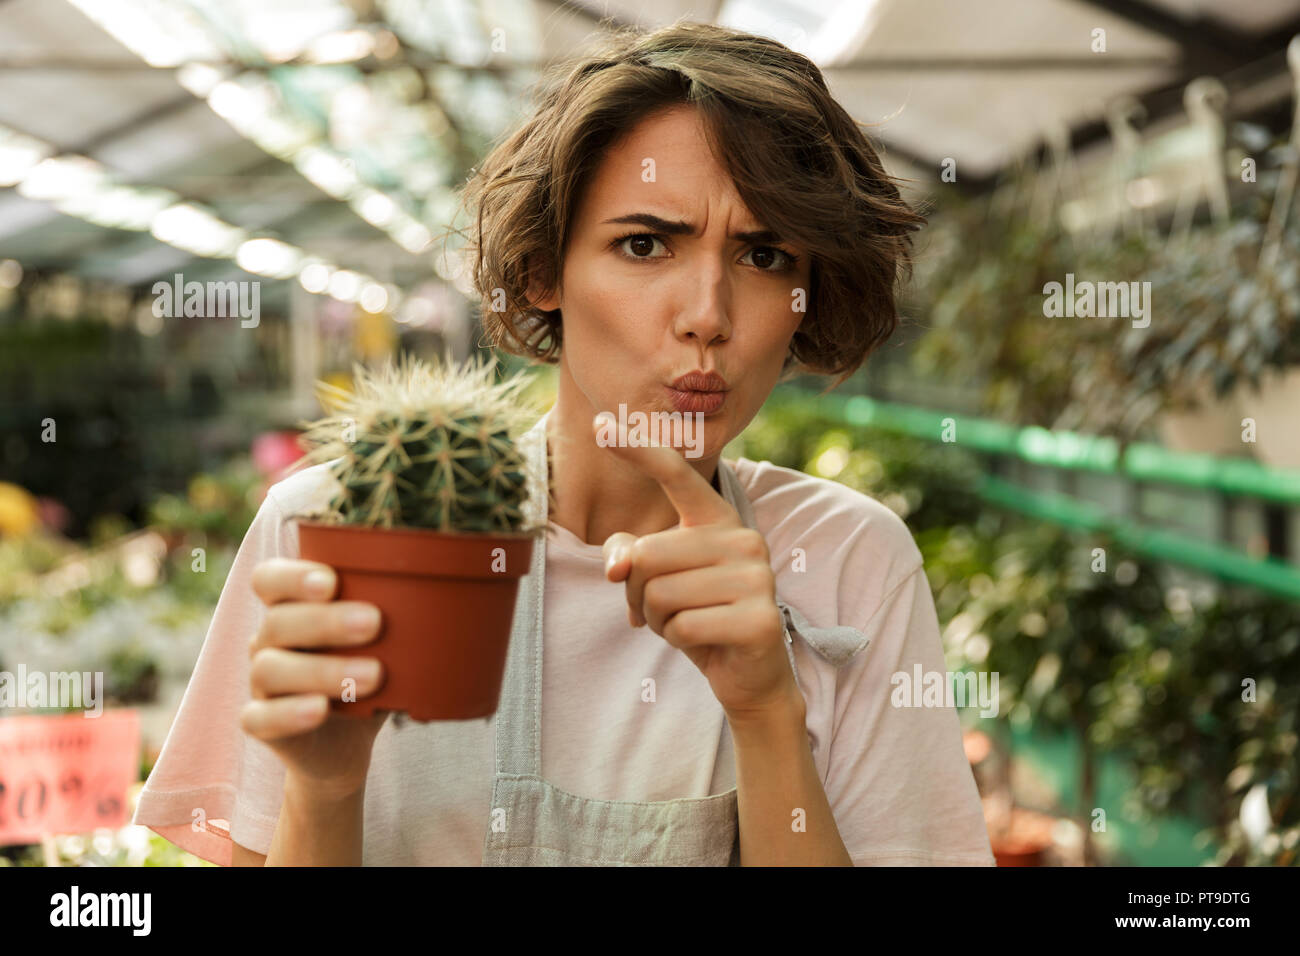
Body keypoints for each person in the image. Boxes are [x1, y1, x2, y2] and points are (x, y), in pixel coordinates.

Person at [133, 20, 994, 866]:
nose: (708, 316)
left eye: (765, 257)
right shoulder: (342, 530)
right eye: (645, 244)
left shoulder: (849, 562)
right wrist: (323, 792)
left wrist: (768, 714)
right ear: (544, 270)